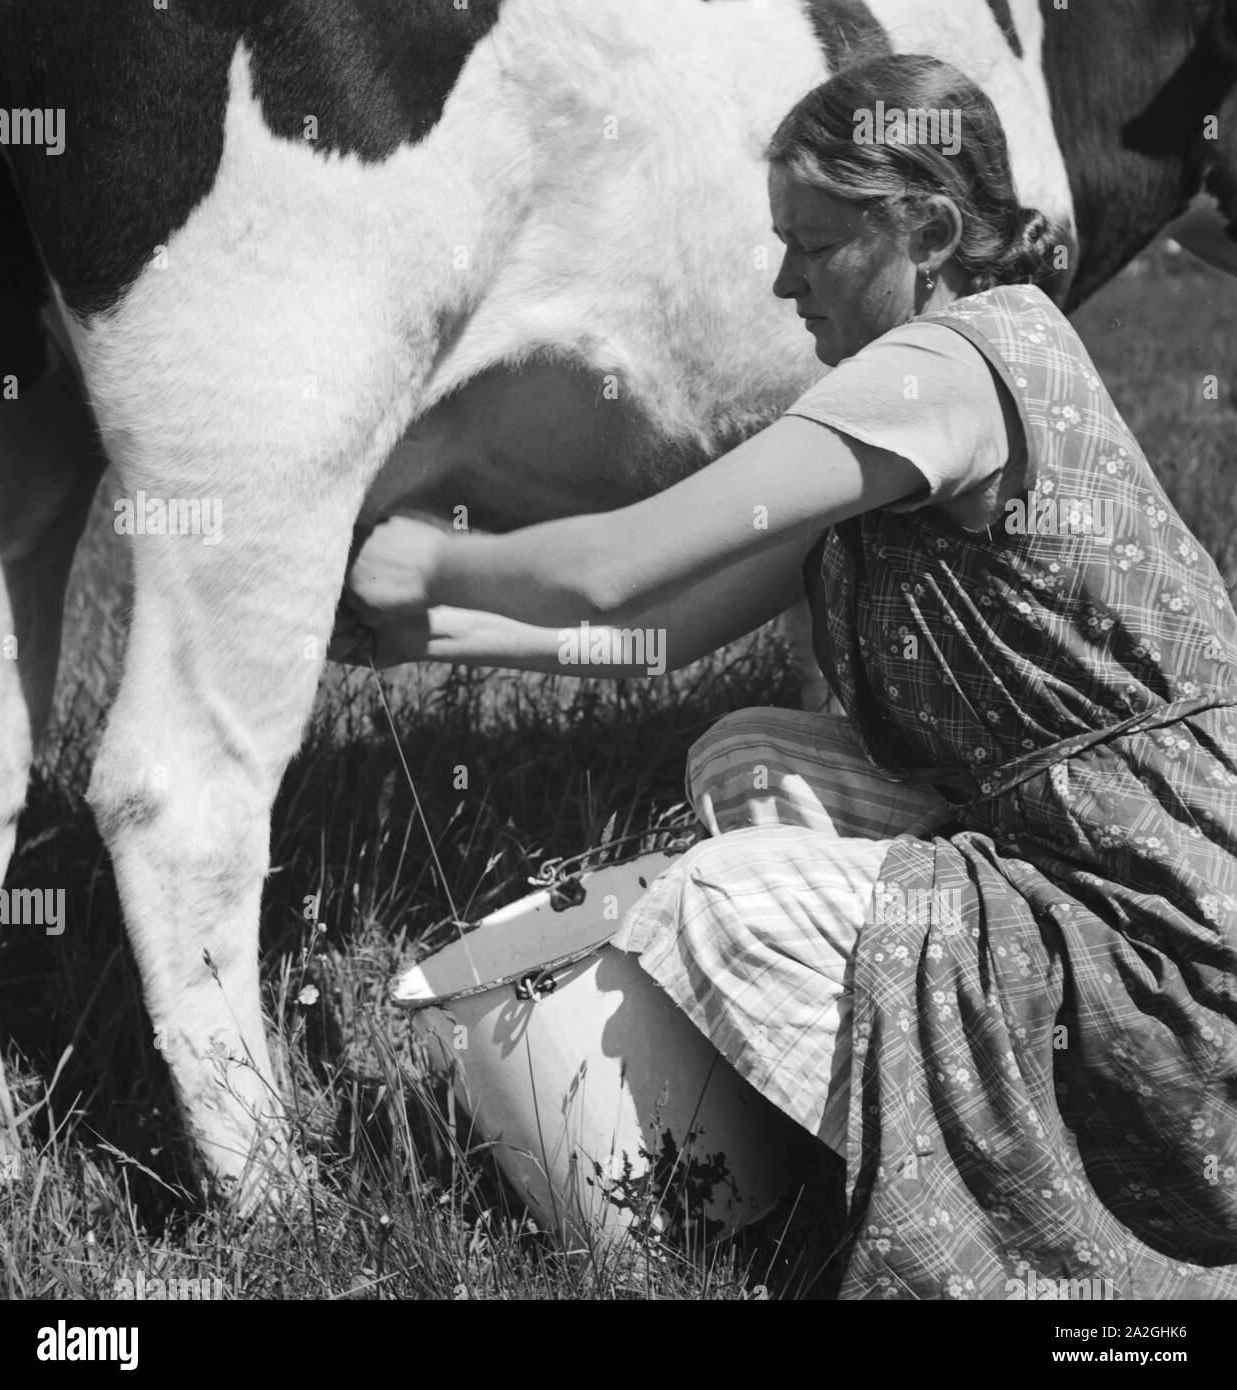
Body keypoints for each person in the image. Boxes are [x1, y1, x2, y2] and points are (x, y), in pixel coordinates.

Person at [331, 54, 1237, 1299]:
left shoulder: (947, 371)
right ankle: (833, 1108)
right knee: (747, 757)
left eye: (809, 245)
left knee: (717, 904)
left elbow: (613, 567)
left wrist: (435, 554)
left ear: (920, 228)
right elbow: (661, 631)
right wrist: (426, 637)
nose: (780, 281)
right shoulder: (902, 413)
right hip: (1078, 845)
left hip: (1172, 929)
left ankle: (859, 1186)